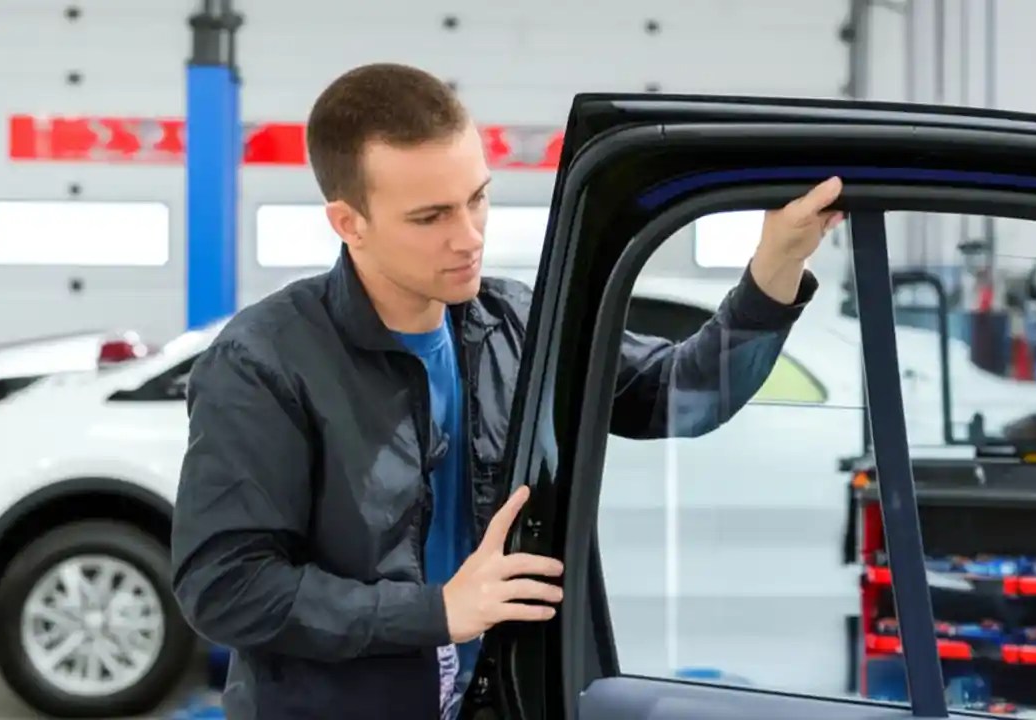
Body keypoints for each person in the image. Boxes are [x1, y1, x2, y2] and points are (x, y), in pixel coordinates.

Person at [170, 62, 844, 720]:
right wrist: (438, 613)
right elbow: (226, 588)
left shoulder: (518, 325)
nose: (469, 237)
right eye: (431, 216)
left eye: (477, 198)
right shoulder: (264, 362)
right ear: (349, 223)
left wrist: (776, 265)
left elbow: (682, 393)